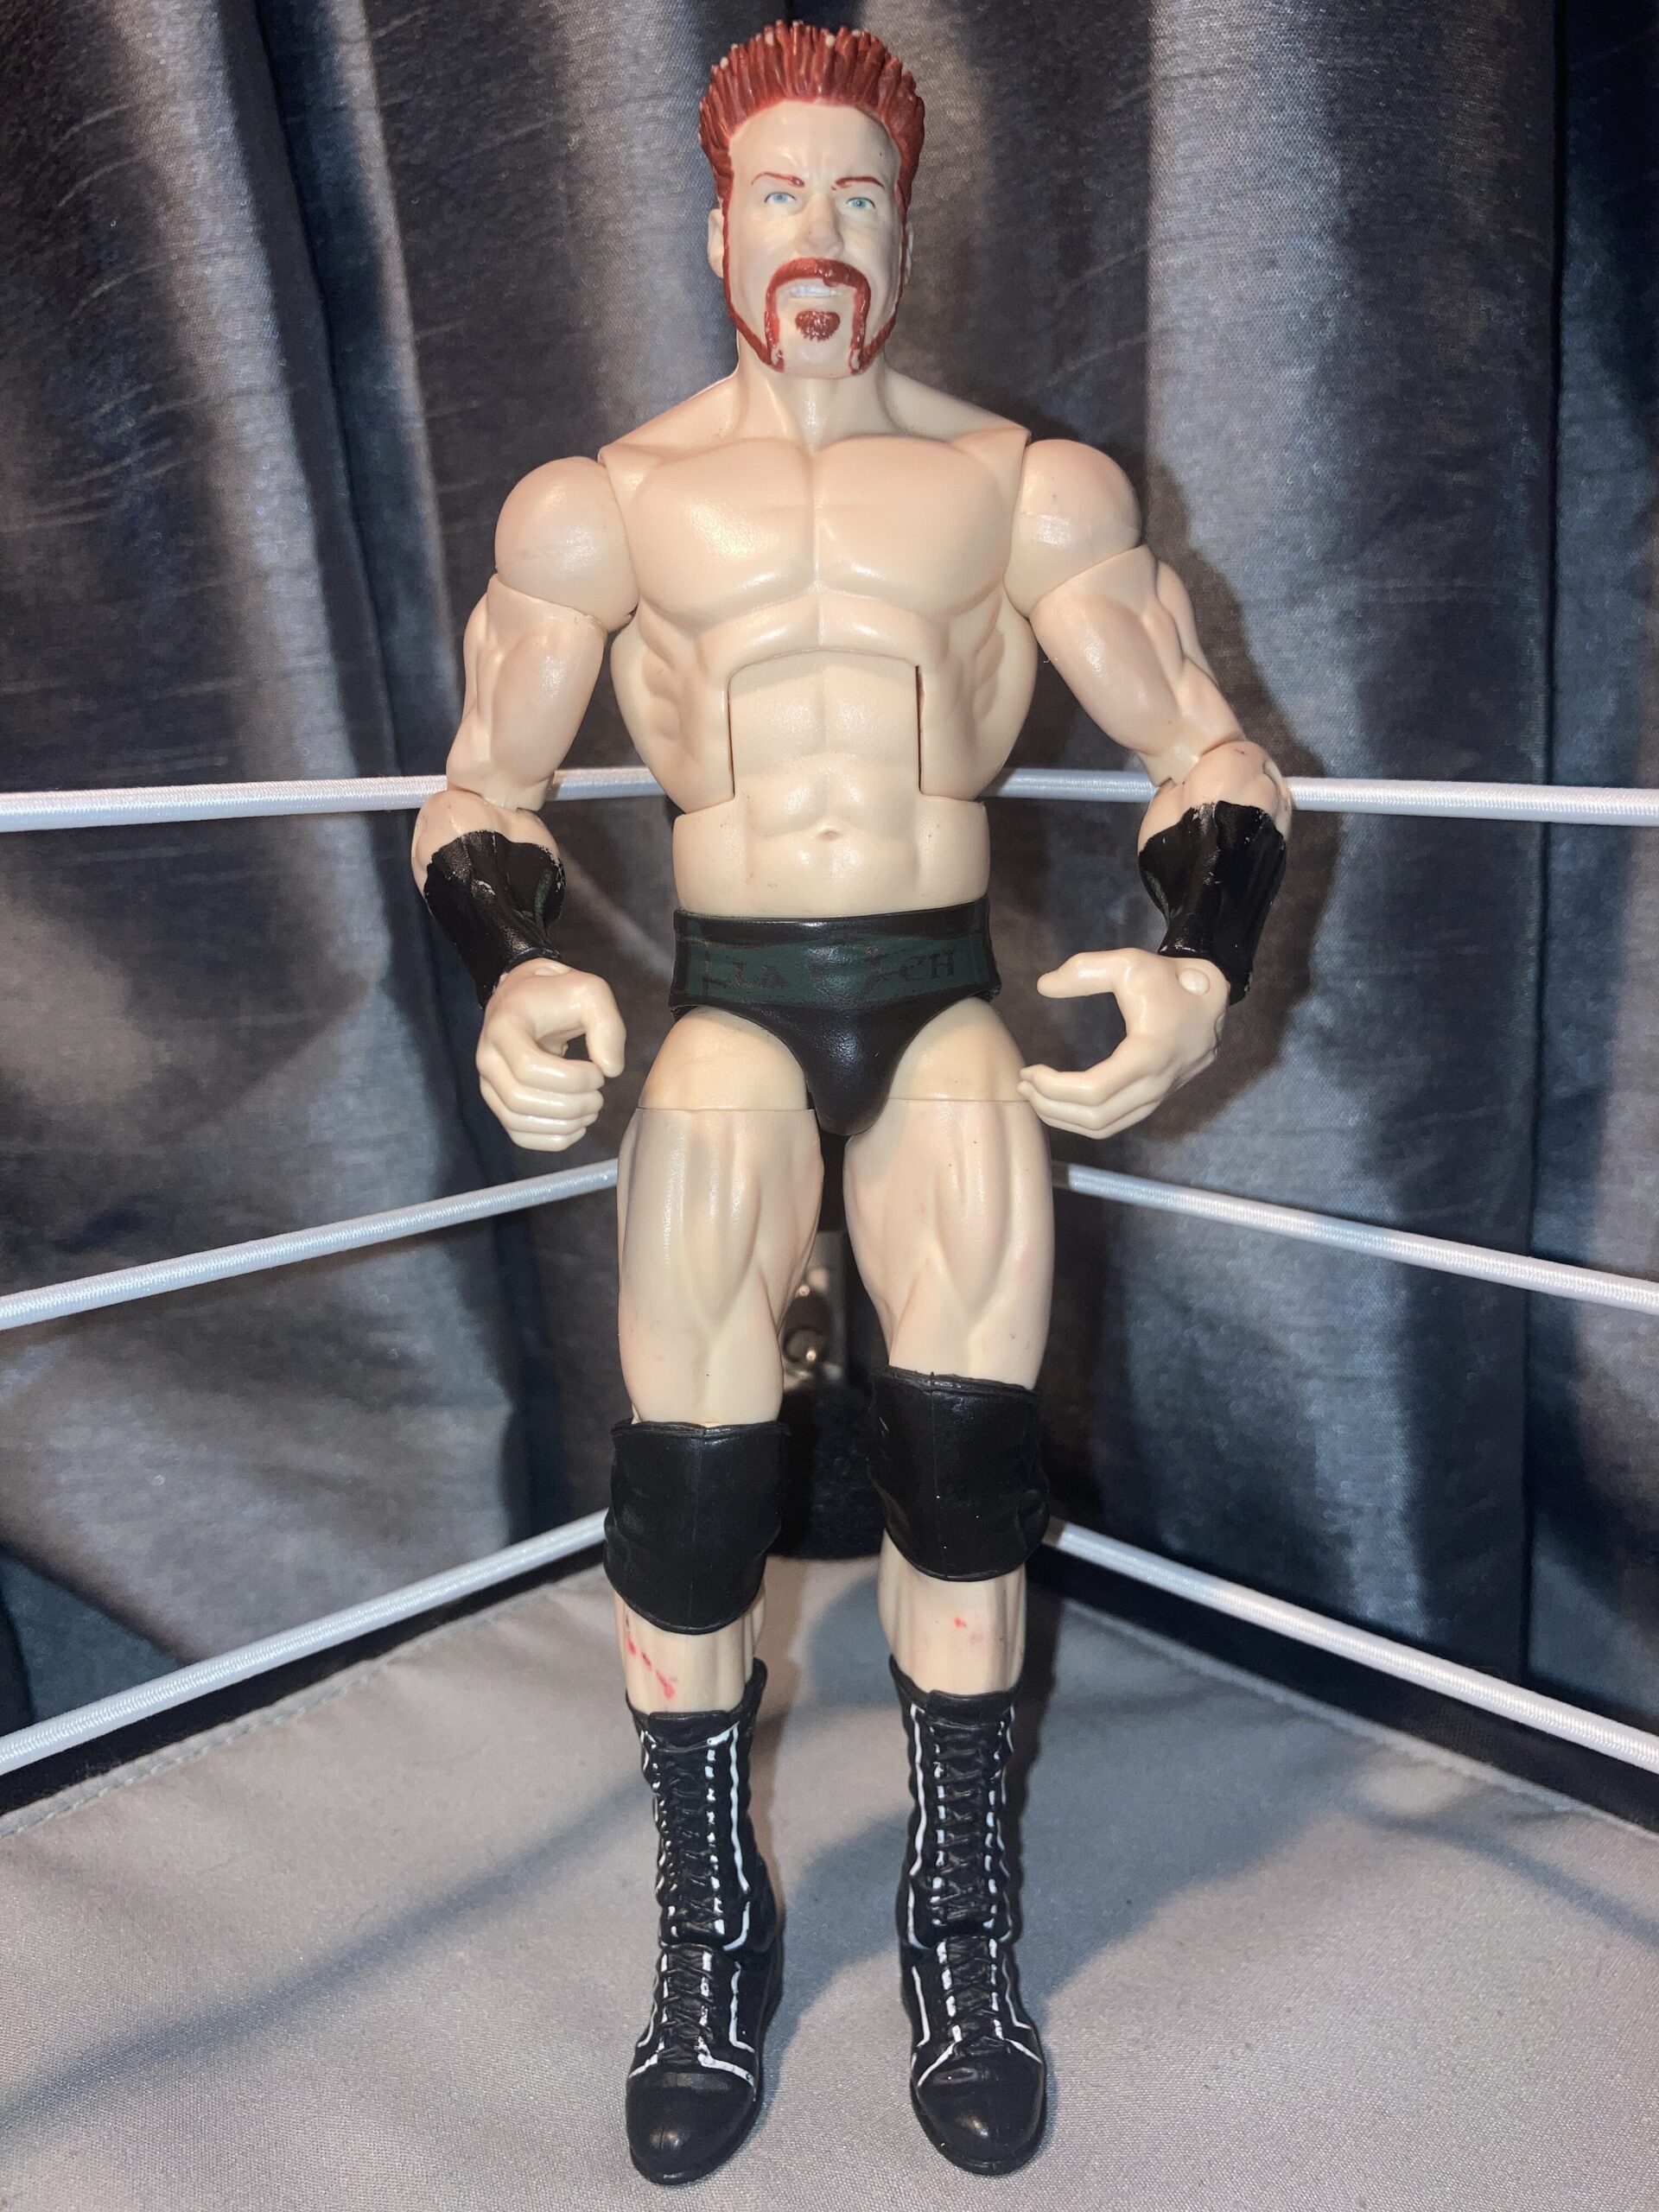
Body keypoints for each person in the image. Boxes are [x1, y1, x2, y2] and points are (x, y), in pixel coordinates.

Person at [411, 20, 1289, 2184]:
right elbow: (477, 793)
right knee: (688, 1480)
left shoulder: (1022, 489)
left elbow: (1212, 755)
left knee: (967, 1469)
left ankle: (957, 1919)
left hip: (936, 1003)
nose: (821, 233)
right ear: (716, 229)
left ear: (910, 229)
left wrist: (1200, 959)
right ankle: (708, 1924)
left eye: (863, 196)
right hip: (730, 1010)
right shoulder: (603, 506)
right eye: (782, 194)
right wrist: (519, 965)